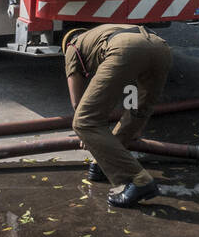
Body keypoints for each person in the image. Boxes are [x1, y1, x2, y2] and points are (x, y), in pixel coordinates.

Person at [62, 24, 173, 208]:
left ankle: (138, 180)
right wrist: (133, 129)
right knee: (137, 110)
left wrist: (89, 136)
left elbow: (78, 104)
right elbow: (130, 92)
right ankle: (104, 162)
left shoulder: (72, 46)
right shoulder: (102, 33)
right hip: (160, 47)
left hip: (126, 49)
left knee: (84, 122)